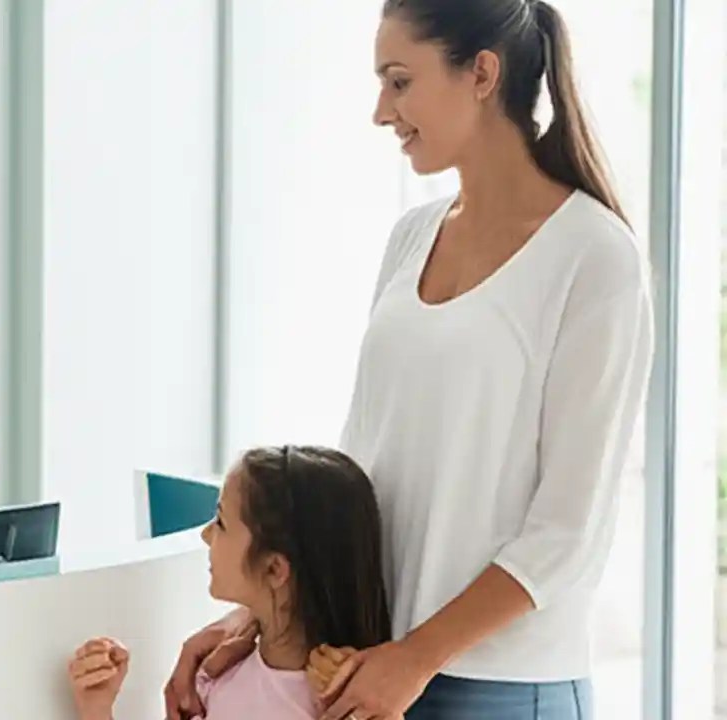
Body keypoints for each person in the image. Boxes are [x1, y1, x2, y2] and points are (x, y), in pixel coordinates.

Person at [165, 1, 654, 719]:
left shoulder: (595, 257)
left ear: (482, 73)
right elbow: (361, 470)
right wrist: (265, 619)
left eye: (399, 81)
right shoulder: (411, 237)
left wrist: (419, 657)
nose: (380, 111)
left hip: (500, 685)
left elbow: (567, 532)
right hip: (368, 668)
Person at [68, 445, 391, 719]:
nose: (206, 534)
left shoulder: (344, 705)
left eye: (221, 521)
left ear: (274, 569)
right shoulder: (221, 673)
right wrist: (97, 706)